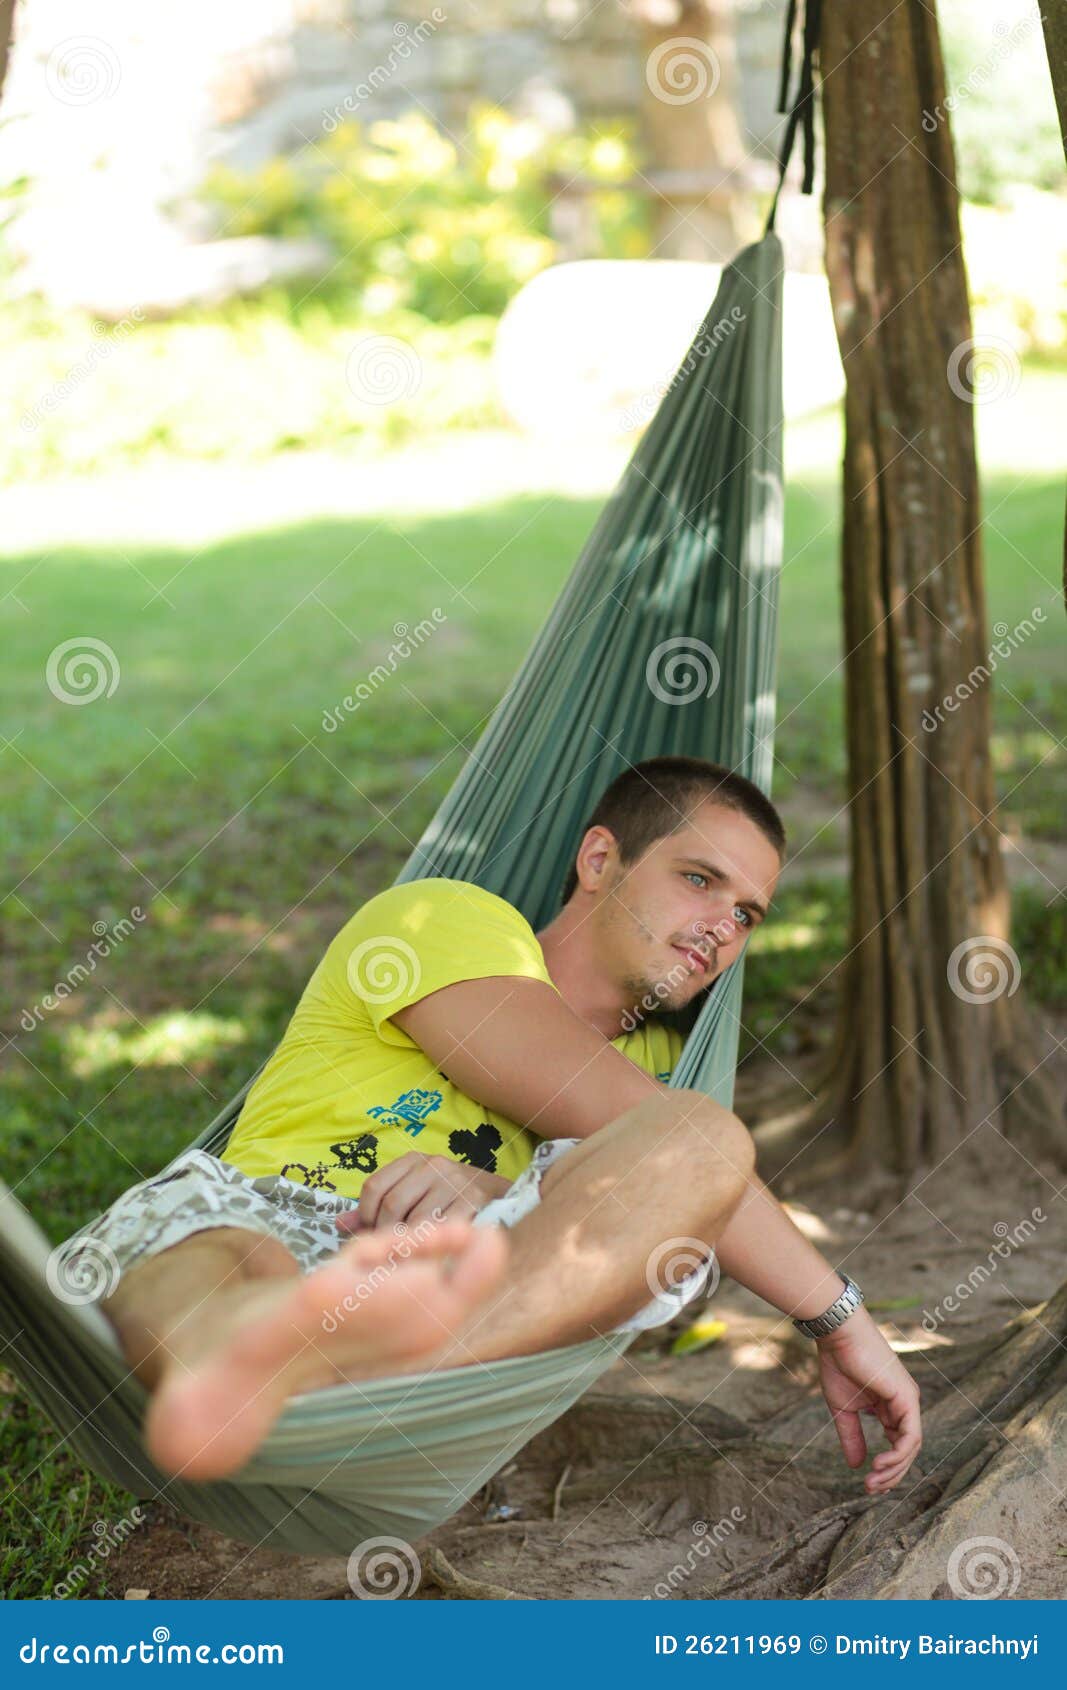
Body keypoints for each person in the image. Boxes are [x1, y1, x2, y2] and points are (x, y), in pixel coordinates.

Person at [59, 756, 921, 1494]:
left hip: (465, 1292)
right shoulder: (448, 923)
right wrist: (842, 1323)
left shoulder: (669, 1076)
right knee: (222, 1262)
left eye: (745, 914)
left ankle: (325, 1374)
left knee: (704, 1147)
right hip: (267, 1214)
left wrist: (499, 1191)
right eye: (698, 880)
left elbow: (673, 1262)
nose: (719, 928)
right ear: (597, 859)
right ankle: (260, 1362)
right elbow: (577, 1097)